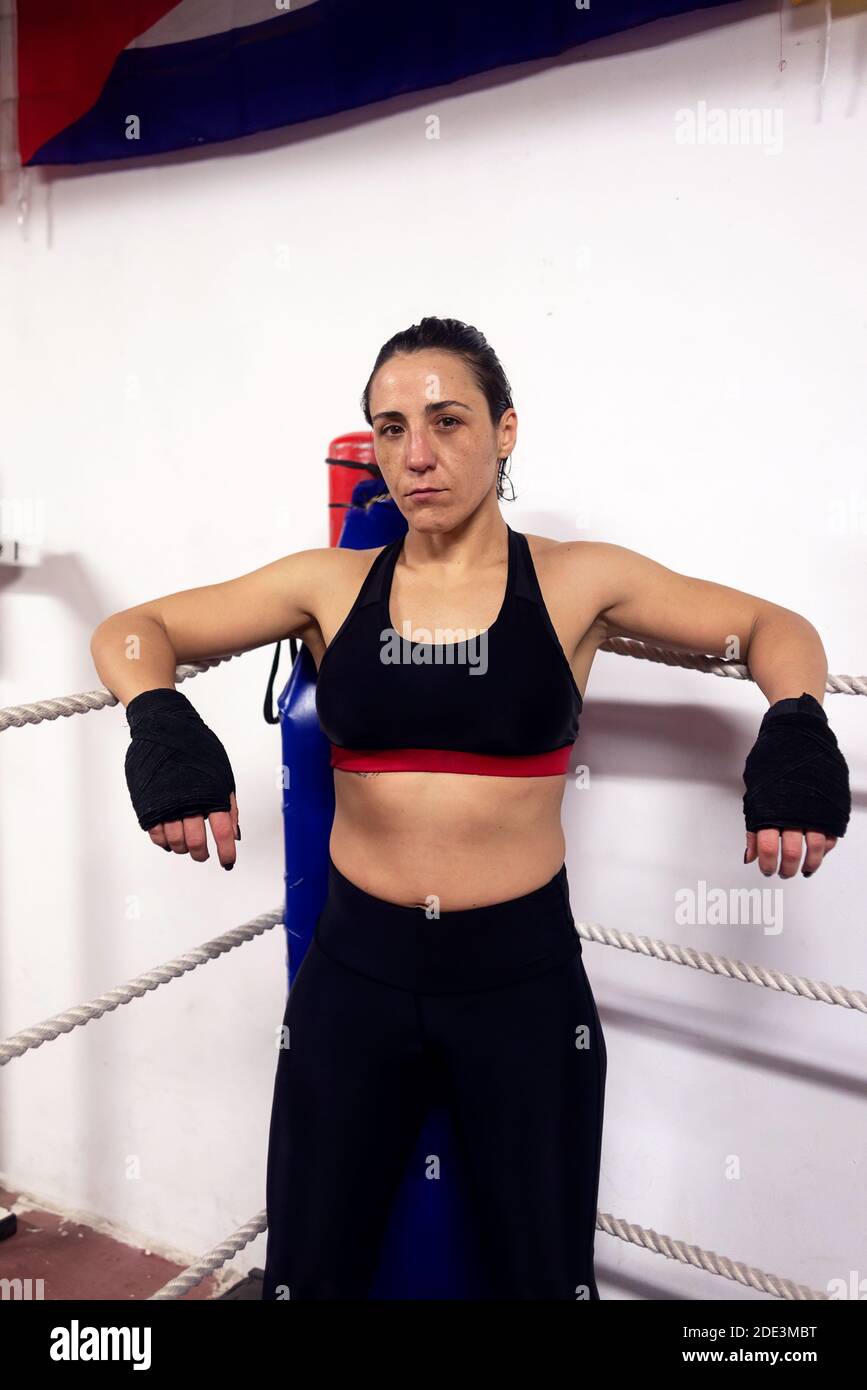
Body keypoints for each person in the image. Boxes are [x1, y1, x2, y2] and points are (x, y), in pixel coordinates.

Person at [90, 316, 850, 1301]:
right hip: (355, 973)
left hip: (520, 983)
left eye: (448, 420)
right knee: (310, 1270)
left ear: (506, 431)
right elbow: (132, 629)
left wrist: (795, 721)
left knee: (541, 1275)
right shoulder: (331, 584)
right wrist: (159, 716)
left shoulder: (577, 581)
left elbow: (771, 625)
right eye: (391, 426)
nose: (417, 454)